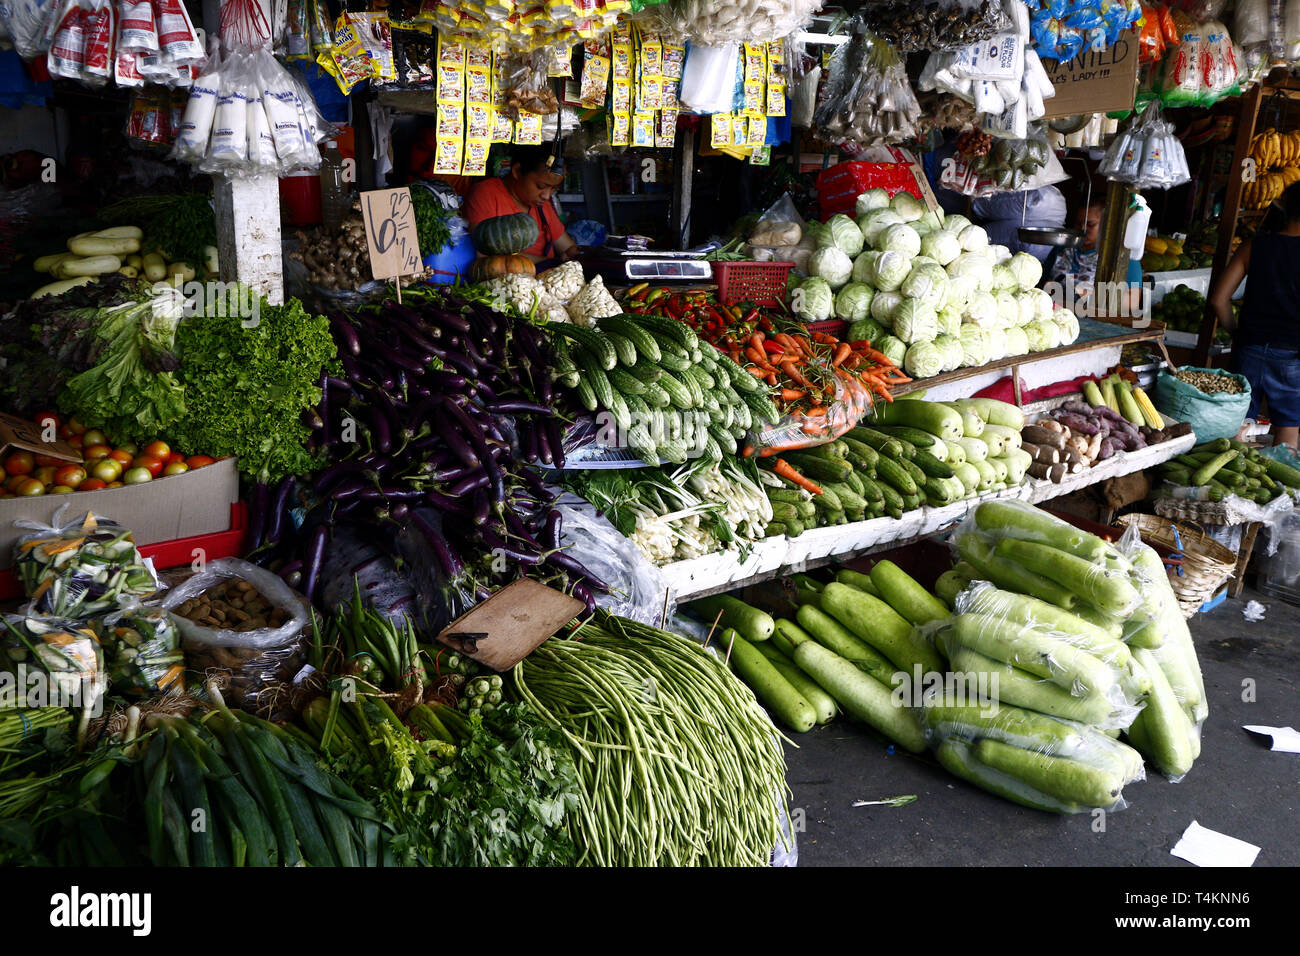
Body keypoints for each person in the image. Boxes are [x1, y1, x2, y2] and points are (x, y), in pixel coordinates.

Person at [1208, 182, 1300, 450]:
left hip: (1249, 347)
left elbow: (1218, 300)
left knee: (1236, 424)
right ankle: (1277, 488)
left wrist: (1236, 331)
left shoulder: (1254, 246)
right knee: (1288, 432)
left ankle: (1227, 480)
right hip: (1292, 356)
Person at [463, 144, 580, 267]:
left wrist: (571, 256)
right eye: (541, 186)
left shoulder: (542, 205)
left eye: (553, 189)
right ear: (517, 171)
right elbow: (487, 256)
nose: (546, 196)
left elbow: (568, 248)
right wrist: (550, 263)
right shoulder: (485, 194)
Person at [1048, 194, 1142, 316]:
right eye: (1078, 223)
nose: (1082, 229)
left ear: (1105, 226)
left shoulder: (1122, 257)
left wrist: (1092, 296)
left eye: (1090, 224)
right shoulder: (1062, 248)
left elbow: (1133, 301)